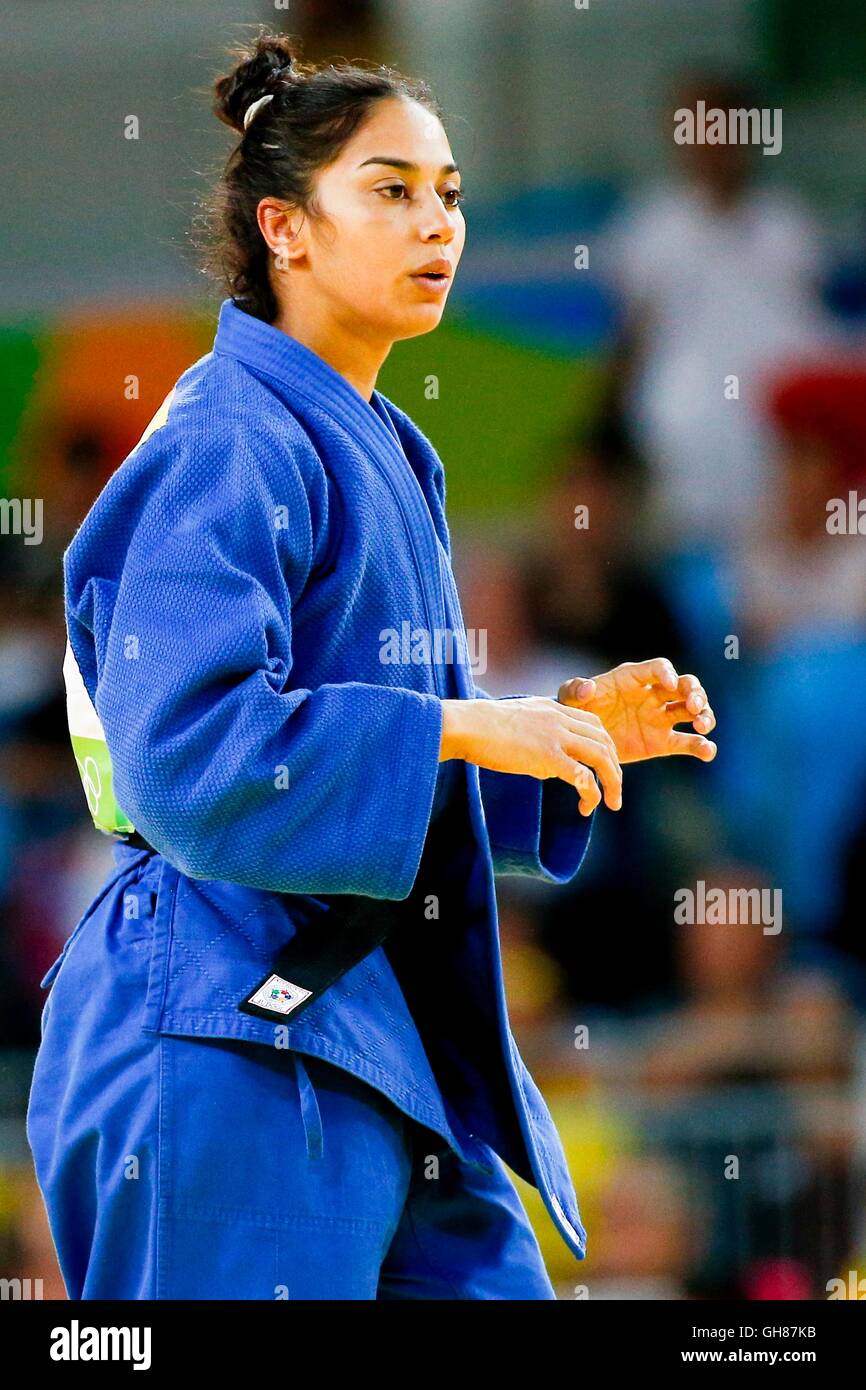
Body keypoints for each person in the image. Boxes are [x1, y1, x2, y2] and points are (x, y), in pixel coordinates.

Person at [26, 31, 717, 1300]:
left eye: (448, 193)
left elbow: (372, 768)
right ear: (285, 230)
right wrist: (464, 731)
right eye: (389, 190)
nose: (435, 222)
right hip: (220, 1026)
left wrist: (553, 743)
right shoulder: (224, 439)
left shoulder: (380, 448)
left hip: (368, 1035)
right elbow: (192, 761)